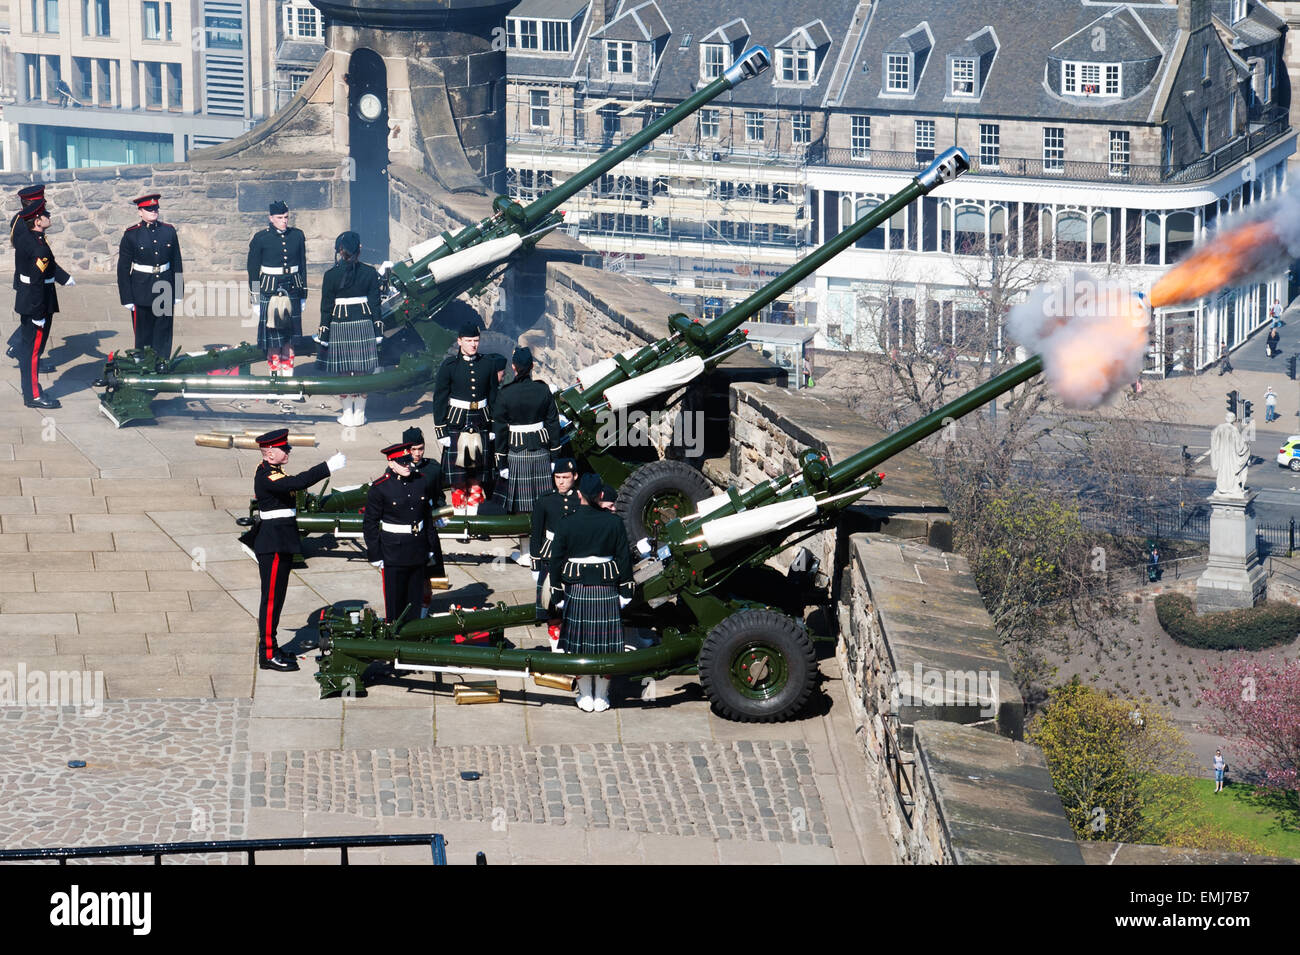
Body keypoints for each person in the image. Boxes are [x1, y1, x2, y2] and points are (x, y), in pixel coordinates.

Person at [242, 429, 345, 671]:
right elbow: (298, 483)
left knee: (277, 599)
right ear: (269, 453)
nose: (288, 451)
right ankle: (267, 654)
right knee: (271, 600)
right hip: (274, 544)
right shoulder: (268, 475)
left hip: (281, 541)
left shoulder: (272, 470)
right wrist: (327, 467)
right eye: (283, 448)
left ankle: (272, 647)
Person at [549, 472, 634, 712]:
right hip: (606, 588)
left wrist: (557, 592)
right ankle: (602, 697)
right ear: (599, 495)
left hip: (577, 589)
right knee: (607, 646)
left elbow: (555, 561)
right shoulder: (613, 522)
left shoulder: (566, 522)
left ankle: (585, 695)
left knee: (579, 645)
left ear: (578, 494)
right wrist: (627, 589)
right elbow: (623, 558)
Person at [491, 346, 562, 564]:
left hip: (516, 453)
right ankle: (542, 548)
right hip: (541, 451)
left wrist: (500, 461)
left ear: (513, 367)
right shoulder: (543, 391)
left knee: (521, 506)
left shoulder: (505, 393)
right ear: (532, 366)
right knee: (542, 503)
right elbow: (552, 423)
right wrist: (554, 457)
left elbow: (500, 431)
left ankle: (525, 553)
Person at [363, 441, 442, 624]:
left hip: (417, 548)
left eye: (408, 461)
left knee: (415, 599)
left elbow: (426, 517)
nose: (407, 465)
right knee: (395, 601)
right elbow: (370, 524)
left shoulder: (420, 480)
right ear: (391, 463)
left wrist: (430, 546)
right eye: (401, 462)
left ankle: (412, 637)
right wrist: (375, 554)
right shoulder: (380, 487)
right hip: (394, 552)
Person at [432, 322, 498, 514]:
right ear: (459, 341)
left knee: (477, 475)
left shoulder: (488, 364)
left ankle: (474, 518)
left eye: (476, 340)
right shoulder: (449, 365)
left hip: (481, 421)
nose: (473, 344)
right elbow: (440, 399)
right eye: (469, 340)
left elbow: (493, 397)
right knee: (458, 476)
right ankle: (461, 520)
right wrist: (441, 429)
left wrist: (493, 426)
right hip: (457, 421)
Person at [13, 199, 73, 410]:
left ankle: (31, 390)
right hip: (36, 301)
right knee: (33, 351)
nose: (49, 217)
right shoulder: (38, 246)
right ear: (37, 221)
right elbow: (38, 280)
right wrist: (39, 312)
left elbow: (48, 266)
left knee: (30, 350)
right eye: (45, 215)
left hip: (28, 299)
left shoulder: (30, 238)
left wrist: (64, 277)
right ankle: (33, 395)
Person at [317, 231, 382, 426]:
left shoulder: (330, 276)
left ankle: (347, 414)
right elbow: (375, 305)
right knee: (362, 371)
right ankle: (360, 414)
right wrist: (378, 332)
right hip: (364, 323)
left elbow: (326, 308)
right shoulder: (370, 272)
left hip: (340, 324)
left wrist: (324, 333)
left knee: (343, 371)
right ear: (359, 249)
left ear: (339, 250)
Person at [116, 193, 184, 358]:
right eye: (149, 209)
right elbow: (123, 268)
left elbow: (177, 262)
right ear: (140, 212)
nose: (153, 211)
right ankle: (143, 369)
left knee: (164, 334)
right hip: (141, 290)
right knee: (143, 336)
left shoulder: (168, 231)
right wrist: (127, 298)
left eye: (155, 208)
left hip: (165, 287)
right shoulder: (131, 234)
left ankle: (162, 367)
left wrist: (178, 291)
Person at [248, 200, 307, 376]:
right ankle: (274, 382)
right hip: (270, 290)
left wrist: (303, 294)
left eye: (286, 217)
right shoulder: (261, 238)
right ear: (271, 218)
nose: (284, 221)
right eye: (280, 217)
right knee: (273, 342)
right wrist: (256, 299)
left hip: (293, 288)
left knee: (289, 341)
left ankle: (288, 382)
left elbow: (302, 265)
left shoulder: (297, 235)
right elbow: (252, 271)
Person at [529, 456, 581, 648]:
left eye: (565, 477)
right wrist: (535, 564)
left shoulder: (582, 499)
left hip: (575, 554)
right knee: (552, 608)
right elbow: (536, 534)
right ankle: (555, 648)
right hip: (550, 556)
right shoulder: (545, 501)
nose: (560, 481)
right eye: (557, 477)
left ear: (575, 476)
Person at [7, 185, 55, 374]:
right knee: (35, 318)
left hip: (30, 276)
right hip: (32, 278)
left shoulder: (21, 219)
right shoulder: (22, 223)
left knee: (32, 319)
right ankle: (25, 353)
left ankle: (21, 349)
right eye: (40, 204)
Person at [402, 424, 450, 599]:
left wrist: (442, 513)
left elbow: (439, 495)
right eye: (413, 449)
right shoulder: (397, 470)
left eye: (420, 448)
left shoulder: (433, 469)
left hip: (428, 529)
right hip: (406, 532)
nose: (417, 453)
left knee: (429, 577)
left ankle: (424, 614)